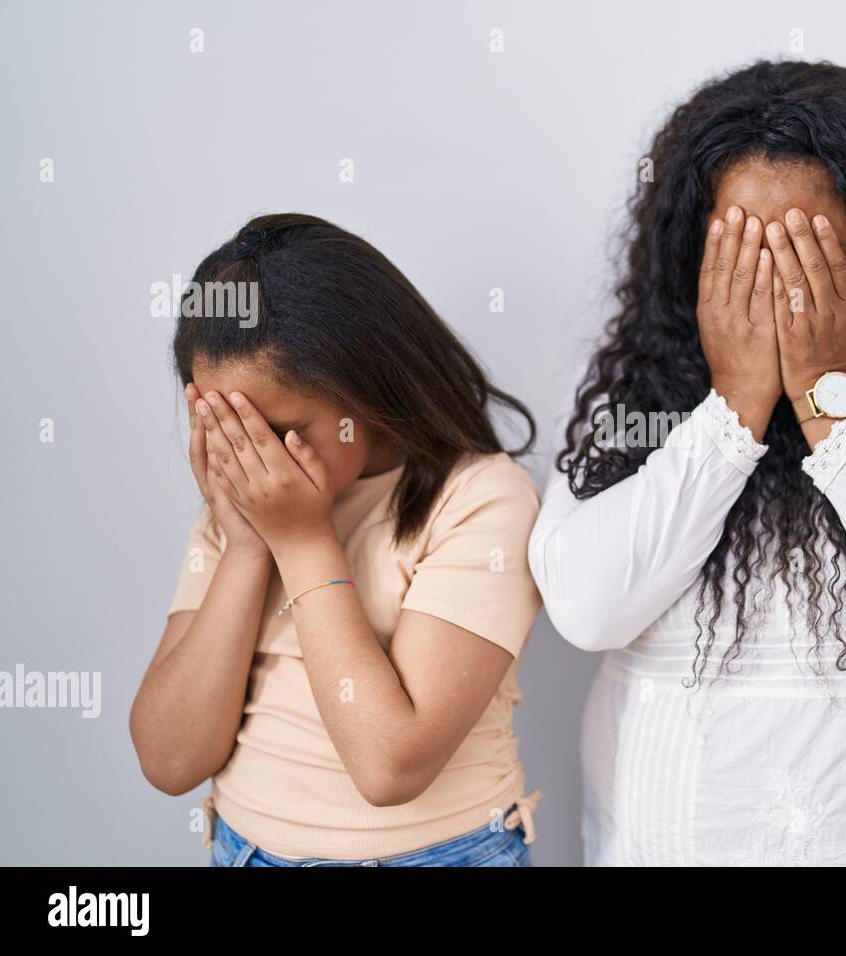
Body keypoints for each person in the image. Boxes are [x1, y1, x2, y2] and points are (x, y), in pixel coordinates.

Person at [528, 60, 846, 865]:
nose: (775, 283)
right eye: (741, 250)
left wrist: (829, 398)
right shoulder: (629, 379)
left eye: (807, 251)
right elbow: (586, 607)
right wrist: (735, 407)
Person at [131, 214, 543, 867]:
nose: (250, 459)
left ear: (366, 387)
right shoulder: (246, 505)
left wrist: (300, 541)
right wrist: (246, 548)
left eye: (275, 428)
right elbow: (170, 758)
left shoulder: (484, 500)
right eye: (226, 429)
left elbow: (389, 768)